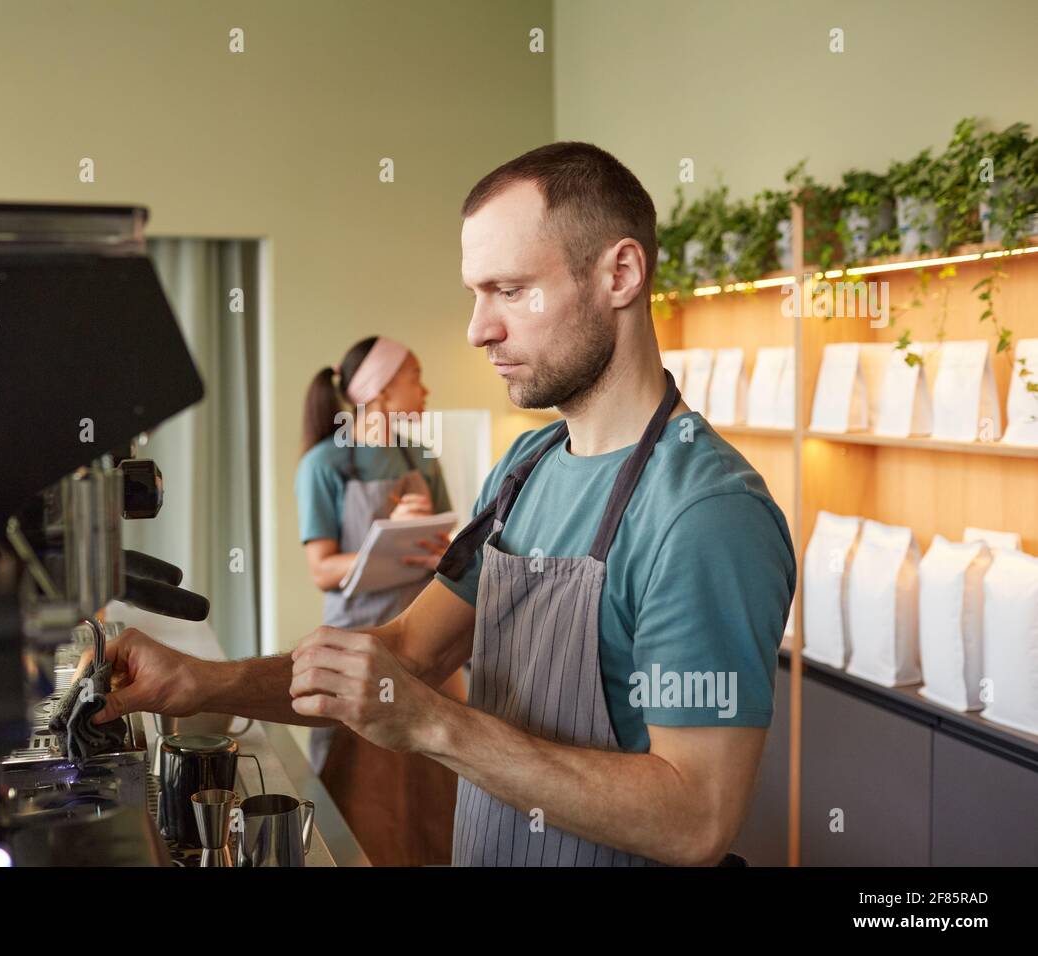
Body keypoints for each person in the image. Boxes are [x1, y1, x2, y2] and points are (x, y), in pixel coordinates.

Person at [91, 142, 796, 867]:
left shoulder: (705, 515)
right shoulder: (525, 468)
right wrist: (204, 681)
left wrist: (432, 727)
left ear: (620, 274)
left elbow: (696, 817)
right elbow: (410, 651)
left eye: (511, 290)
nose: (478, 328)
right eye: (475, 293)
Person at [290, 336, 465, 865]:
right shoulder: (325, 465)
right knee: (362, 804)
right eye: (415, 374)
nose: (425, 386)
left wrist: (430, 543)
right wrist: (384, 538)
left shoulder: (422, 455)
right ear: (383, 389)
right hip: (358, 649)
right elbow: (322, 570)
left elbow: (449, 553)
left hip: (429, 649)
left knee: (437, 800)